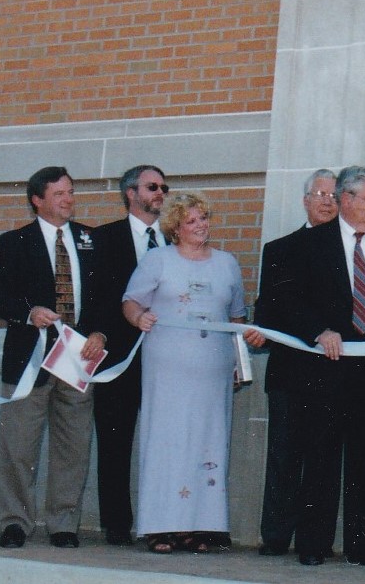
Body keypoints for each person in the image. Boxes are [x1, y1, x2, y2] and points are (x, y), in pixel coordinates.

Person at [281, 165, 365, 568]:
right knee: (321, 453)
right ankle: (314, 542)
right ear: (345, 200)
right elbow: (289, 303)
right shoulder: (311, 244)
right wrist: (318, 331)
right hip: (329, 361)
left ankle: (361, 544)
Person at [122, 191, 265, 555]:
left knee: (209, 441)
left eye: (203, 218)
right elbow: (131, 301)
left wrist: (239, 361)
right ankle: (161, 526)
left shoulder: (227, 263)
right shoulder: (158, 260)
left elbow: (236, 318)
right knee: (167, 443)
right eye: (191, 221)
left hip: (213, 369)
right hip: (168, 368)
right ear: (175, 227)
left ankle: (204, 526)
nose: (200, 226)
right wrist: (139, 317)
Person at [0, 165, 108, 549]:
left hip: (77, 359)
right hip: (30, 359)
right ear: (37, 200)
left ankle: (63, 523)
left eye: (70, 192)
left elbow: (107, 295)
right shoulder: (12, 242)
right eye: (59, 194)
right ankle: (15, 522)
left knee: (73, 443)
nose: (68, 200)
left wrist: (101, 333)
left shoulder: (92, 239)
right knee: (19, 446)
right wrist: (27, 312)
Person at [253, 167, 339, 557]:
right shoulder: (280, 249)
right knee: (284, 457)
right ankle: (274, 536)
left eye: (334, 195)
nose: (326, 200)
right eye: (319, 194)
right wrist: (260, 329)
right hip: (290, 372)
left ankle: (312, 543)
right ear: (305, 200)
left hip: (334, 374)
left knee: (321, 461)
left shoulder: (352, 252)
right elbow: (268, 309)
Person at [87, 163, 171, 546]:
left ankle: (165, 521)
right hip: (119, 357)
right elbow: (96, 298)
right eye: (152, 187)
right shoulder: (103, 239)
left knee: (166, 441)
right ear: (130, 193)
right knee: (116, 441)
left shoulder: (175, 239)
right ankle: (117, 523)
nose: (160, 193)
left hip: (169, 358)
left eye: (163, 187)